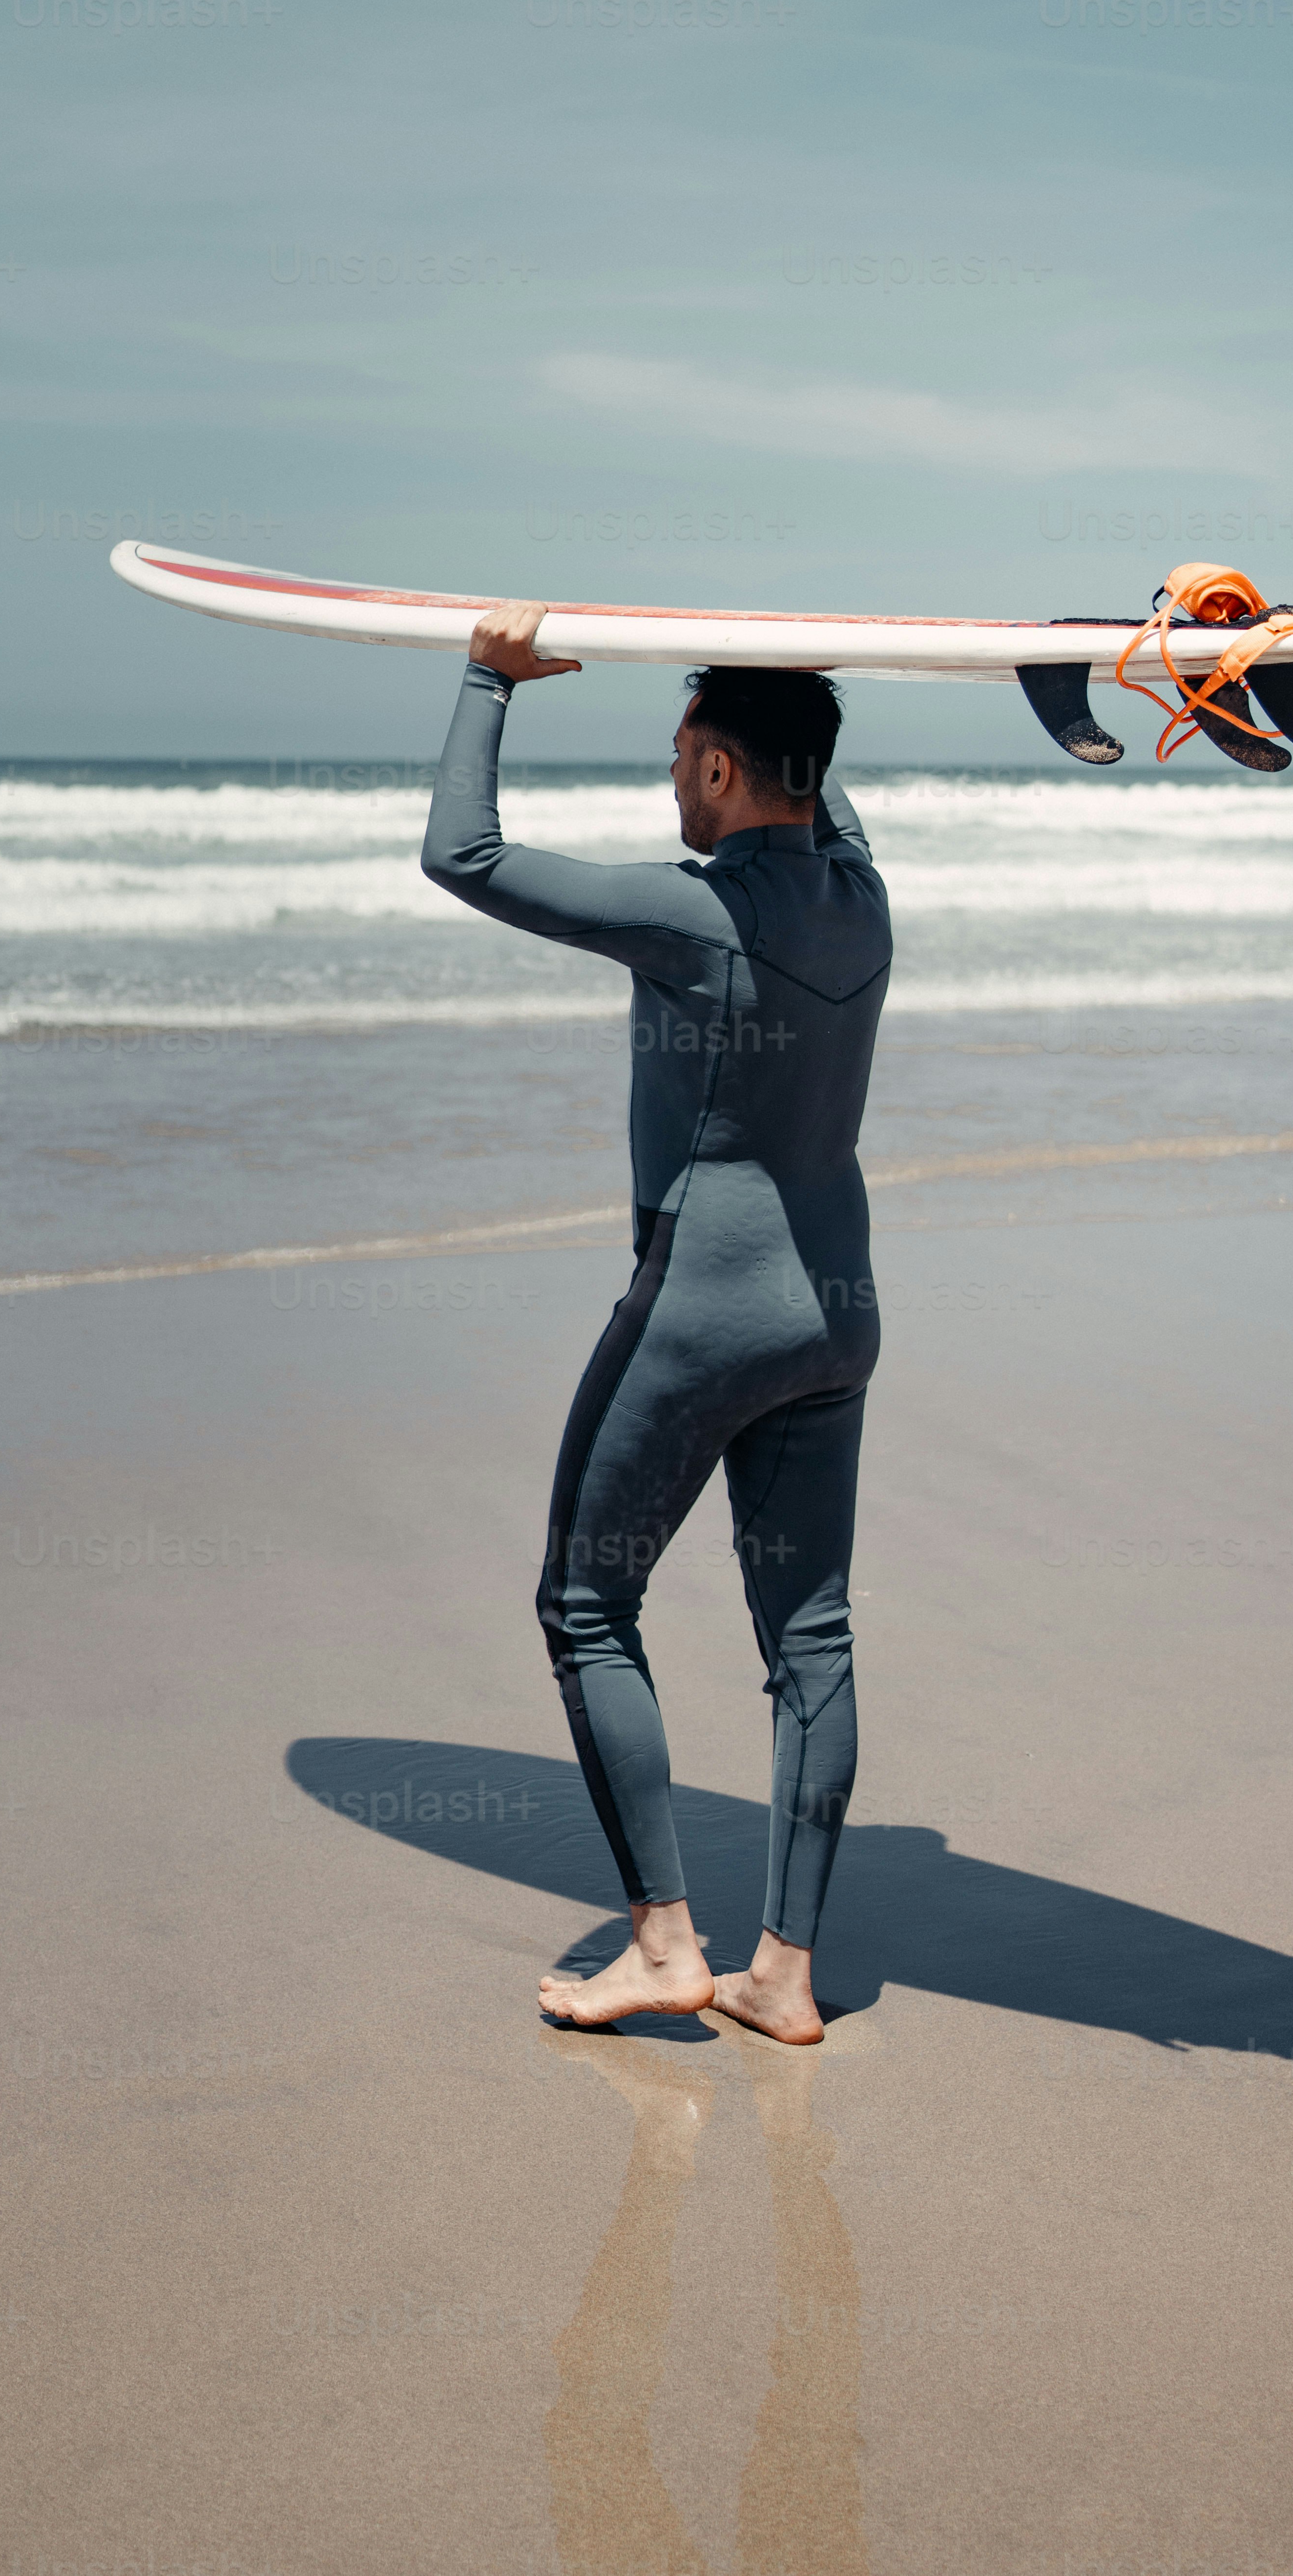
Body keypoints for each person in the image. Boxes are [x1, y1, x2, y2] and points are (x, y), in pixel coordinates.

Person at [420, 602, 892, 2042]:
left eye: (684, 752)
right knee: (809, 1635)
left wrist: (488, 683)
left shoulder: (693, 915)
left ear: (721, 777)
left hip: (701, 1313)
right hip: (838, 1309)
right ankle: (786, 1978)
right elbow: (820, 789)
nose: (670, 774)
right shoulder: (864, 897)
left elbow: (465, 855)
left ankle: (670, 1949)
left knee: (584, 1606)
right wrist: (789, 679)